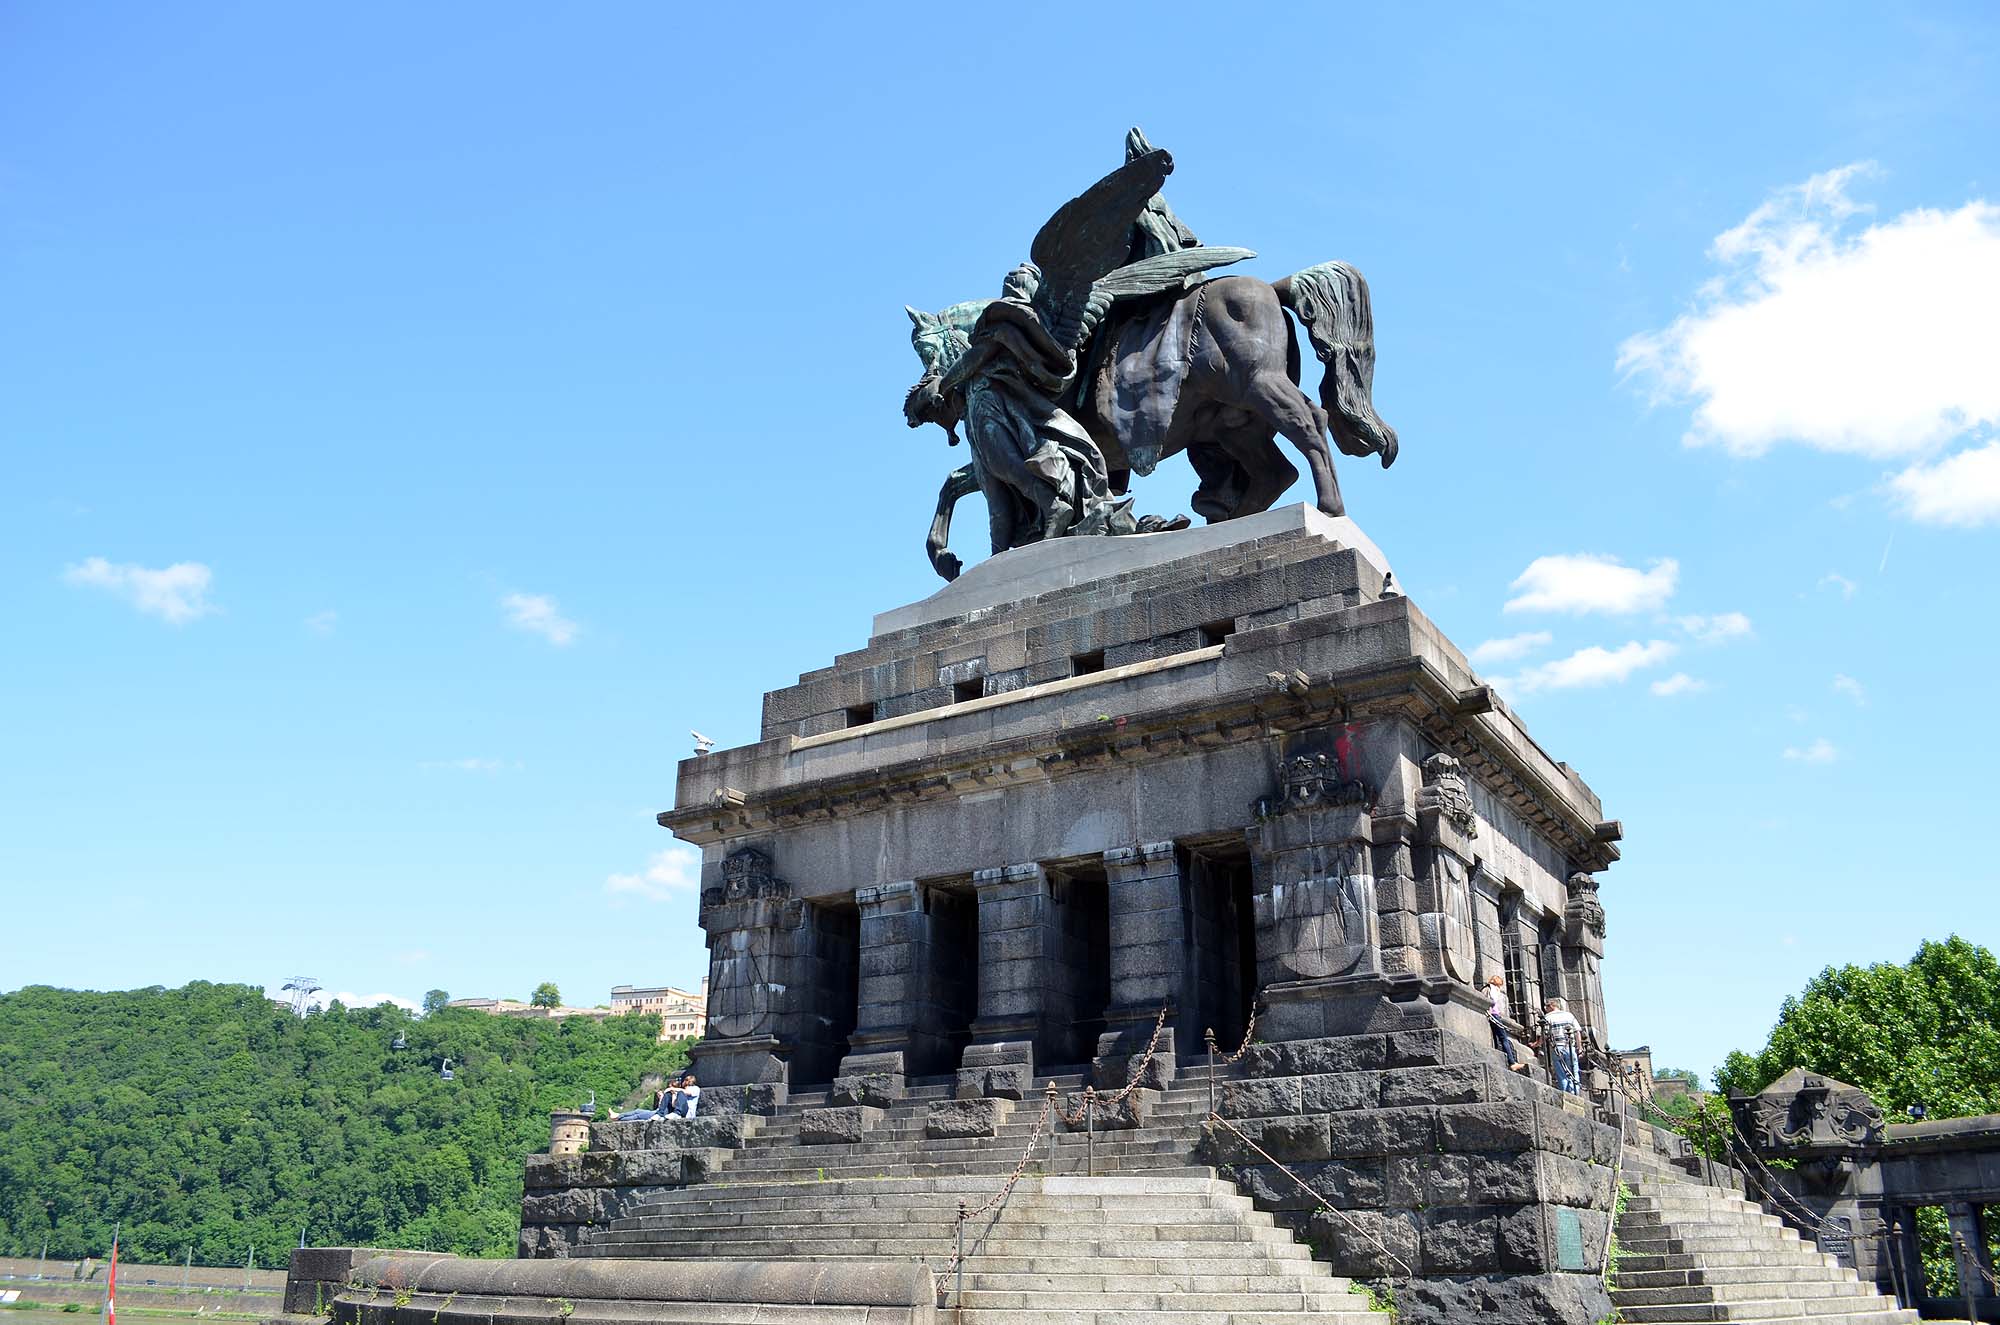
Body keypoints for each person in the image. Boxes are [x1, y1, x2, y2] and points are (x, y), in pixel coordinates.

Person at [1486, 974, 1529, 1073]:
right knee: (1504, 1038)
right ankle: (1512, 1062)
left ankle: (1500, 1057)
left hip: (1493, 1014)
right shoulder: (1493, 989)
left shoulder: (1488, 988)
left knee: (1497, 1038)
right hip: (1494, 1015)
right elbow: (1492, 1002)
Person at [1540, 998, 1582, 1095]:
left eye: (1546, 1006)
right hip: (1569, 1046)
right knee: (1574, 1071)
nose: (1545, 1009)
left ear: (1551, 1006)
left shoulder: (1548, 1017)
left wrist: (1537, 1044)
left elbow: (1545, 1034)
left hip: (1557, 1048)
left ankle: (1565, 1094)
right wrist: (1579, 1047)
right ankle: (1575, 1093)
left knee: (1561, 1073)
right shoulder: (1569, 1015)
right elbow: (1577, 1032)